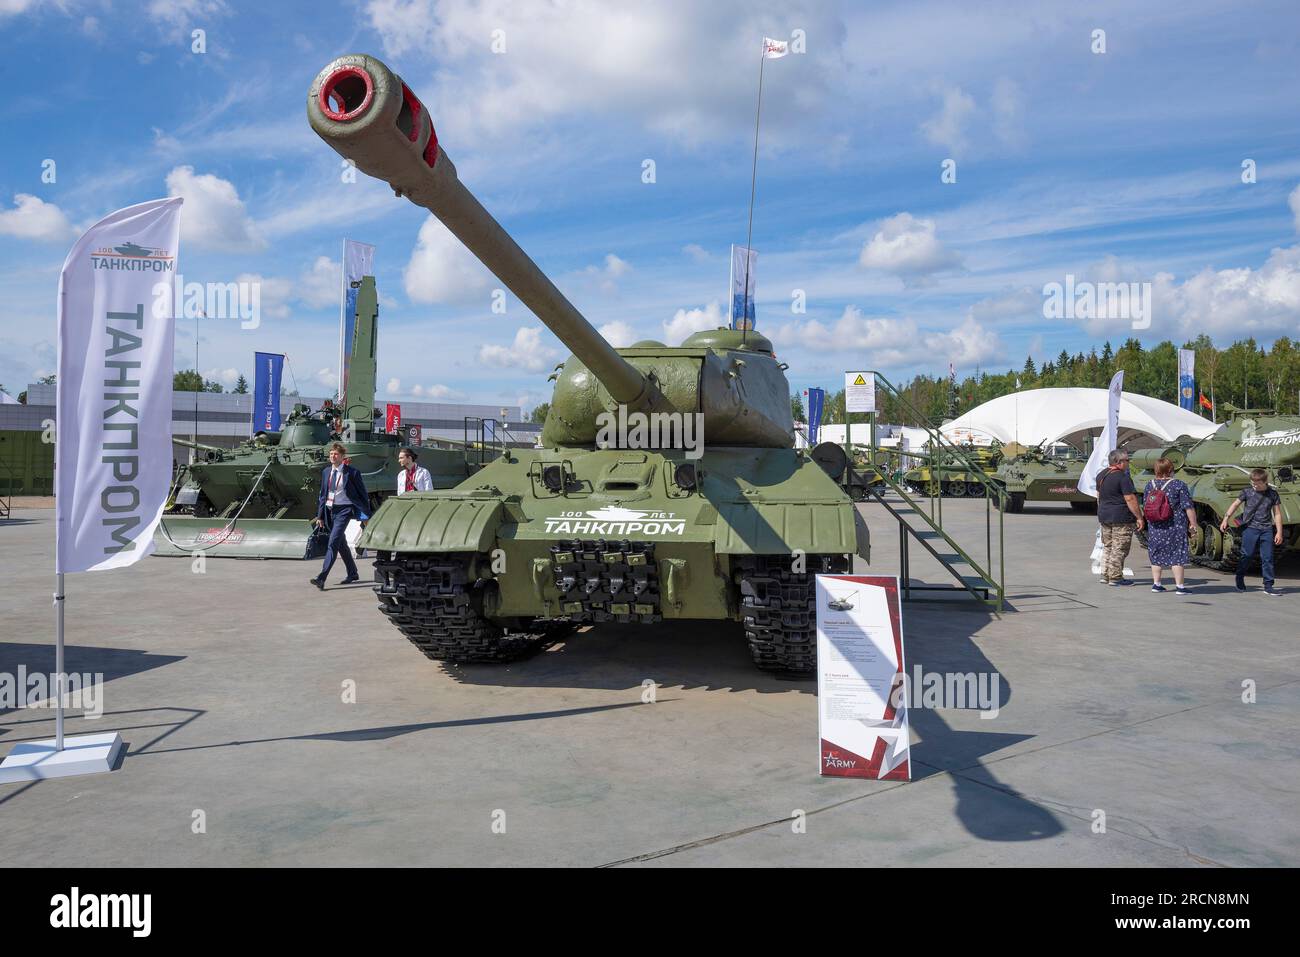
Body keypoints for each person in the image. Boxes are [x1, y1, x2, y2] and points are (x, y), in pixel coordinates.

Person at [310, 442, 369, 590]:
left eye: (335, 454)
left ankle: (321, 577)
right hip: (330, 511)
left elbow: (363, 495)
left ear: (342, 457)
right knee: (341, 543)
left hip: (345, 510)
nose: (332, 456)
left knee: (333, 542)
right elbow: (323, 496)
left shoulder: (352, 473)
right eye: (331, 454)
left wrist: (366, 515)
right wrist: (320, 516)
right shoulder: (326, 472)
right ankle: (353, 573)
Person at [1220, 468, 1284, 596]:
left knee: (1267, 558)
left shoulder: (1273, 494)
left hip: (1266, 529)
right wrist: (1226, 519)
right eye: (1252, 483)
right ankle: (1239, 577)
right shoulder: (1247, 492)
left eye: (1257, 483)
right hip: (1250, 528)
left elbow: (1277, 514)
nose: (1254, 485)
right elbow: (1235, 504)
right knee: (1247, 555)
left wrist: (1279, 532)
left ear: (1265, 481)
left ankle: (1268, 585)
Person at [1142, 457, 1197, 595]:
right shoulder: (1179, 485)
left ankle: (1156, 584)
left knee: (1156, 554)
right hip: (1175, 525)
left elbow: (1146, 504)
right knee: (1177, 555)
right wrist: (1193, 523)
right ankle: (1180, 587)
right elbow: (1187, 506)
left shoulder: (1150, 485)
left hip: (1155, 526)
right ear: (1171, 470)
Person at [1096, 448, 1145, 586]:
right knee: (1120, 547)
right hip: (1121, 517)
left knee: (1108, 546)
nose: (1128, 463)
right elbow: (1130, 499)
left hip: (1105, 515)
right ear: (1118, 462)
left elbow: (1099, 496)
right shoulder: (1123, 477)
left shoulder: (1101, 475)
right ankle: (1116, 577)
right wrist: (1139, 517)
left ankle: (1105, 574)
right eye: (1126, 460)